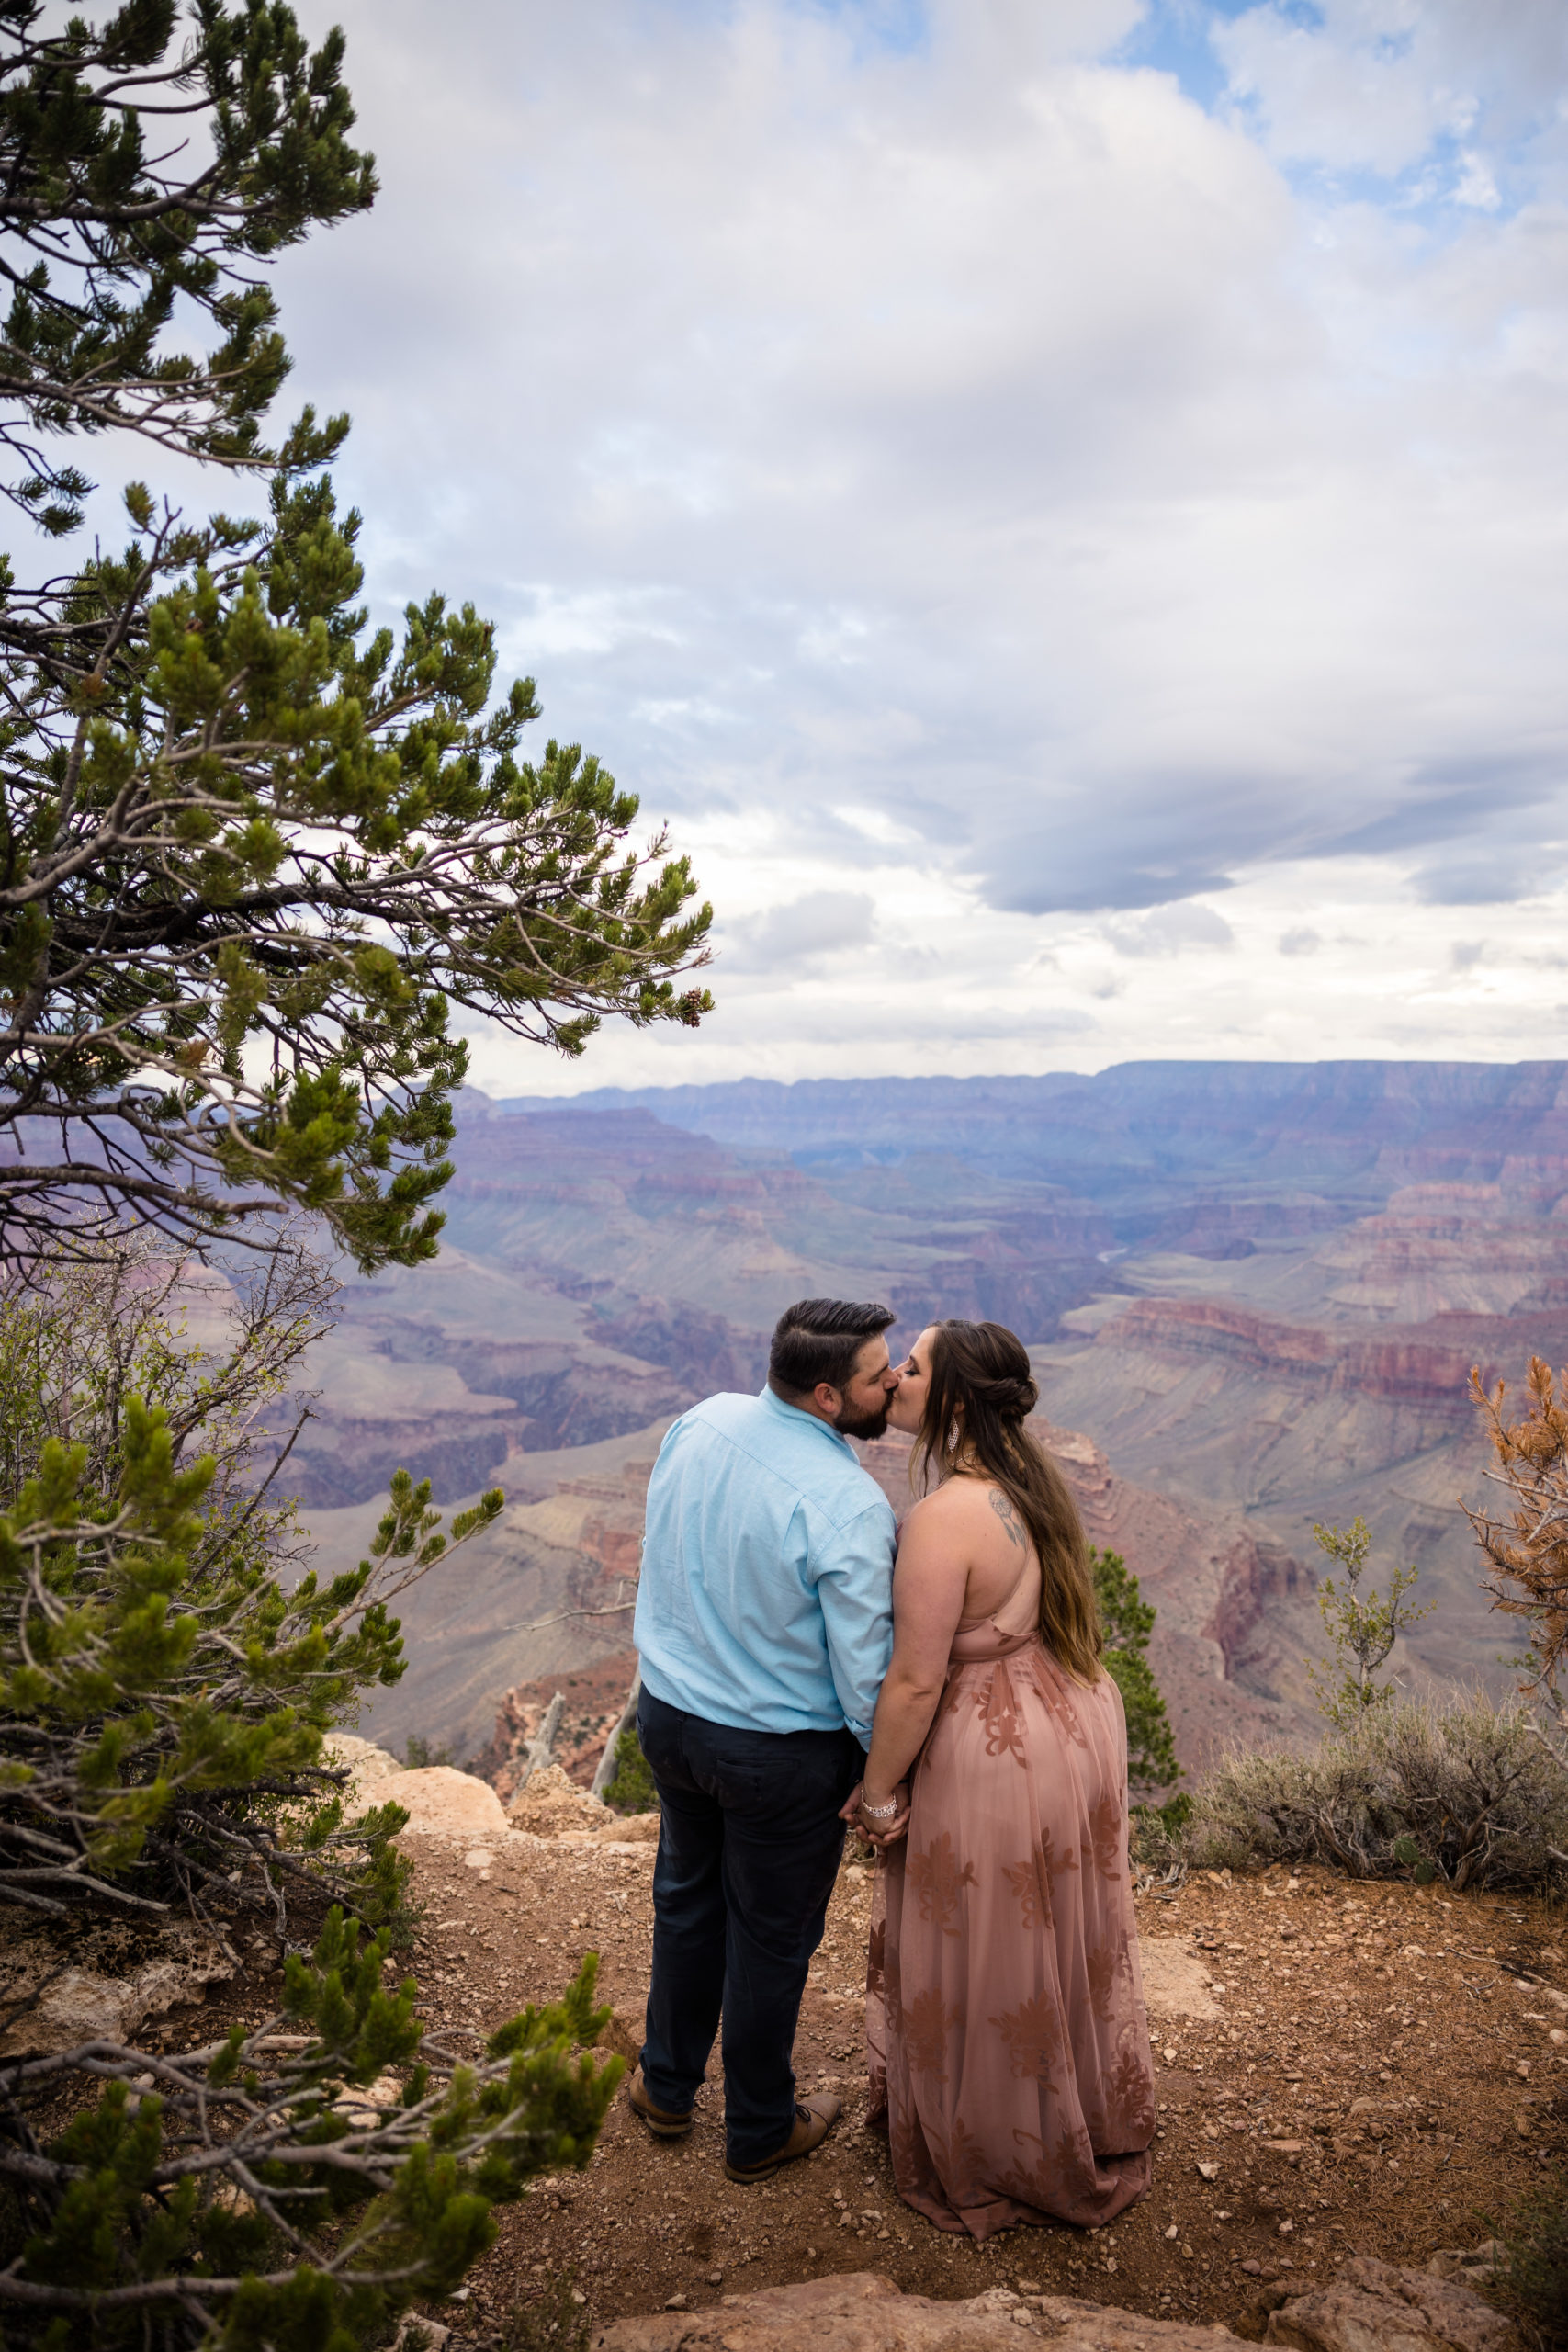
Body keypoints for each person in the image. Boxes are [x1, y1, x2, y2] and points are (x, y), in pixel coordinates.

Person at [852, 1317, 1156, 2238]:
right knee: (1051, 1933)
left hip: (994, 1752)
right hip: (1072, 1723)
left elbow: (914, 1678)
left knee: (982, 1944)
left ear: (950, 1398)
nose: (895, 1377)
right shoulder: (1033, 1485)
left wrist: (874, 1794)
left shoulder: (944, 1516)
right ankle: (1075, 2110)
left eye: (914, 1365)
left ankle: (993, 2144)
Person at [627, 1296, 900, 2184]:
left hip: (670, 1719)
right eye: (877, 1375)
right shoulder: (848, 1503)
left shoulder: (698, 1421)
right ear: (828, 1396)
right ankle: (755, 2128)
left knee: (687, 1901)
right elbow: (865, 1676)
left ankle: (665, 2088)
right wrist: (876, 1773)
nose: (892, 1383)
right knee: (770, 1940)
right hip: (778, 1755)